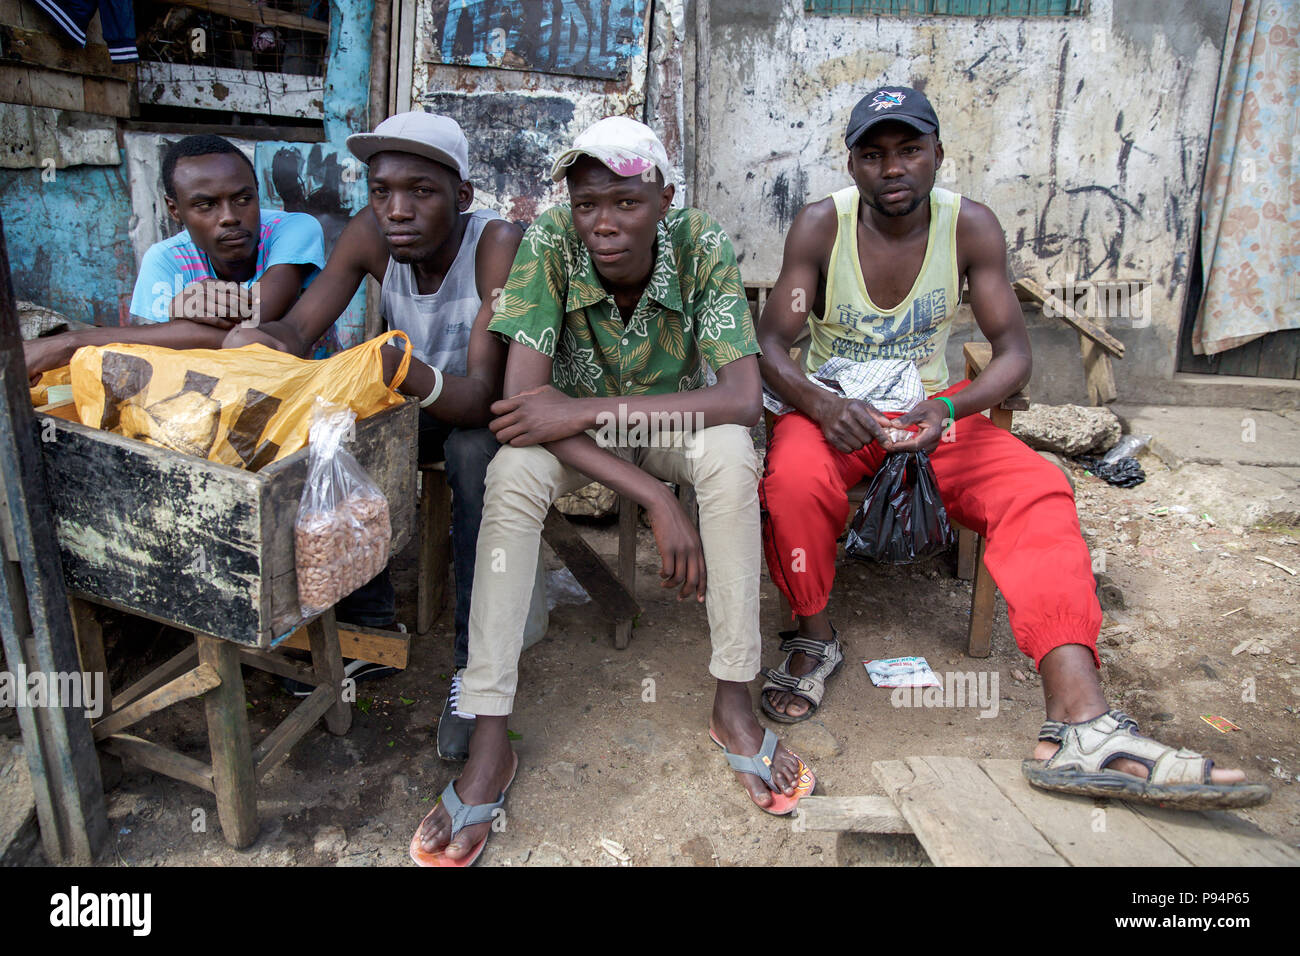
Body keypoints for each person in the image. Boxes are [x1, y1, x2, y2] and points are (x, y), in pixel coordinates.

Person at [756, 85, 1269, 809]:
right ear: (853, 163)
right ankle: (814, 635)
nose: (892, 168)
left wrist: (946, 406)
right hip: (839, 416)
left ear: (938, 154)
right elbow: (774, 344)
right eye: (873, 155)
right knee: (793, 481)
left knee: (1037, 486)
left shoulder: (969, 227)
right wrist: (820, 402)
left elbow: (1012, 354)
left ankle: (1079, 721)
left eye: (909, 150)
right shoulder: (820, 228)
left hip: (930, 419)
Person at [411, 116, 816, 867]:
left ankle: (733, 696)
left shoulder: (702, 242)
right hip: (573, 444)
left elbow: (739, 399)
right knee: (508, 476)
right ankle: (491, 733)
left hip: (666, 421)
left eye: (625, 203)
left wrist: (595, 411)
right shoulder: (548, 244)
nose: (603, 223)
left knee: (730, 459)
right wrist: (655, 499)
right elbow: (523, 410)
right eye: (587, 202)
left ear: (664, 199)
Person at [224, 111, 544, 760]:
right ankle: (370, 627)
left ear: (461, 197)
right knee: (332, 436)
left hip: (501, 415)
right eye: (381, 191)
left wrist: (399, 370)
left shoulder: (497, 244)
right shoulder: (369, 235)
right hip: (420, 401)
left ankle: (474, 677)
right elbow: (297, 331)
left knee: (472, 452)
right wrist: (249, 346)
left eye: (421, 192)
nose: (397, 209)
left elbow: (484, 394)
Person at [24, 134, 325, 381]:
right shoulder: (164, 259)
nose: (229, 217)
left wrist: (69, 344)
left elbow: (258, 316)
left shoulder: (295, 228)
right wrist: (176, 316)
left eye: (243, 199)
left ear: (258, 193)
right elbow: (151, 354)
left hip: (302, 389)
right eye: (206, 205)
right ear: (174, 209)